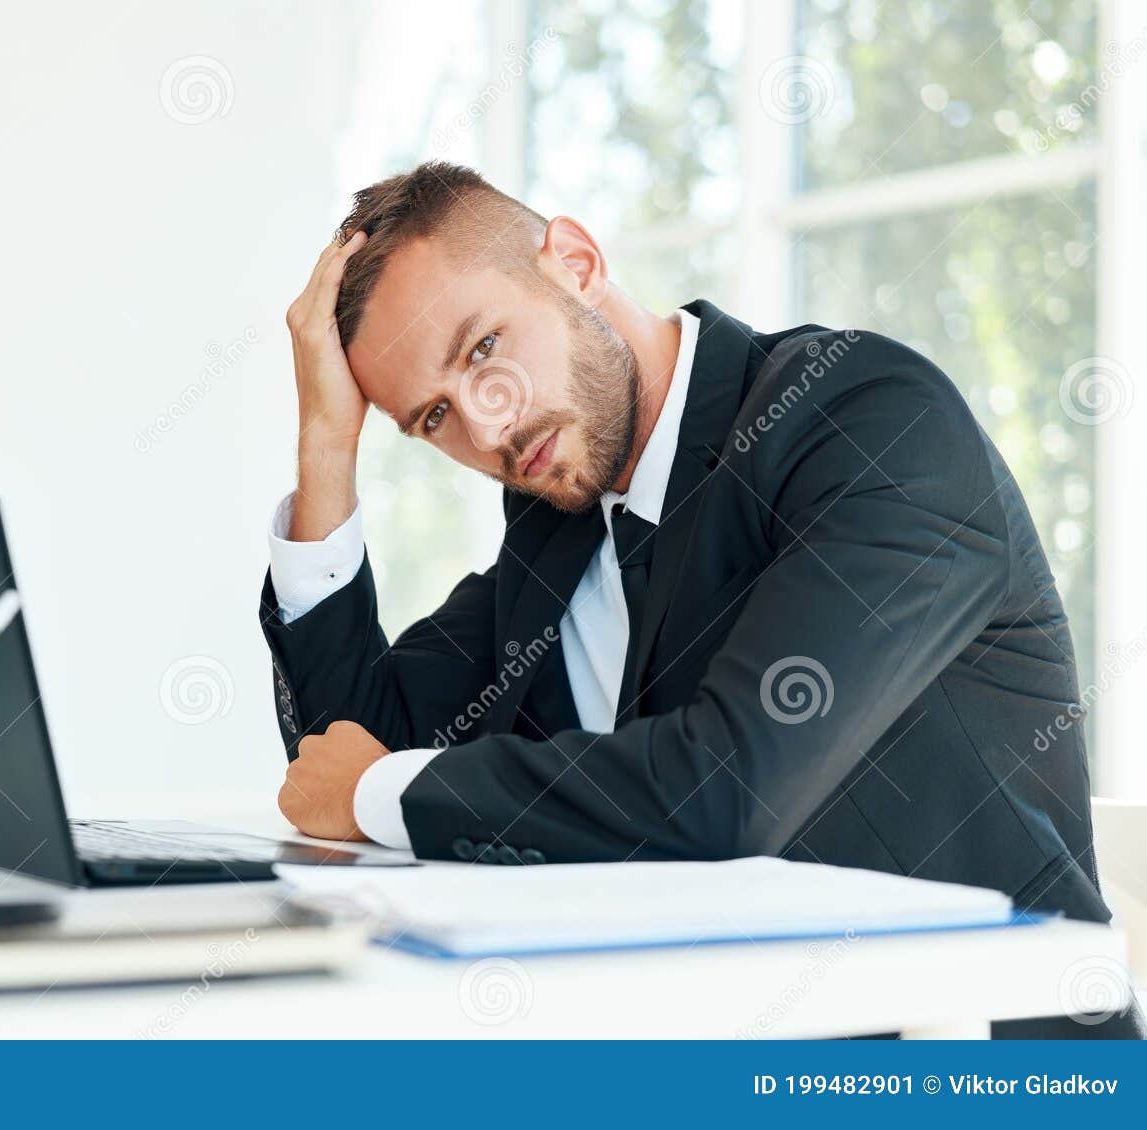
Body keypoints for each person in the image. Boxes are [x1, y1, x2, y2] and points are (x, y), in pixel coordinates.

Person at [258, 162, 1139, 1039]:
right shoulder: (554, 528)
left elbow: (730, 791)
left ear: (574, 259)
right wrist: (326, 444)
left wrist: (379, 793)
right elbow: (338, 760)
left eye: (483, 347)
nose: (488, 425)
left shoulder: (862, 419)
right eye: (435, 418)